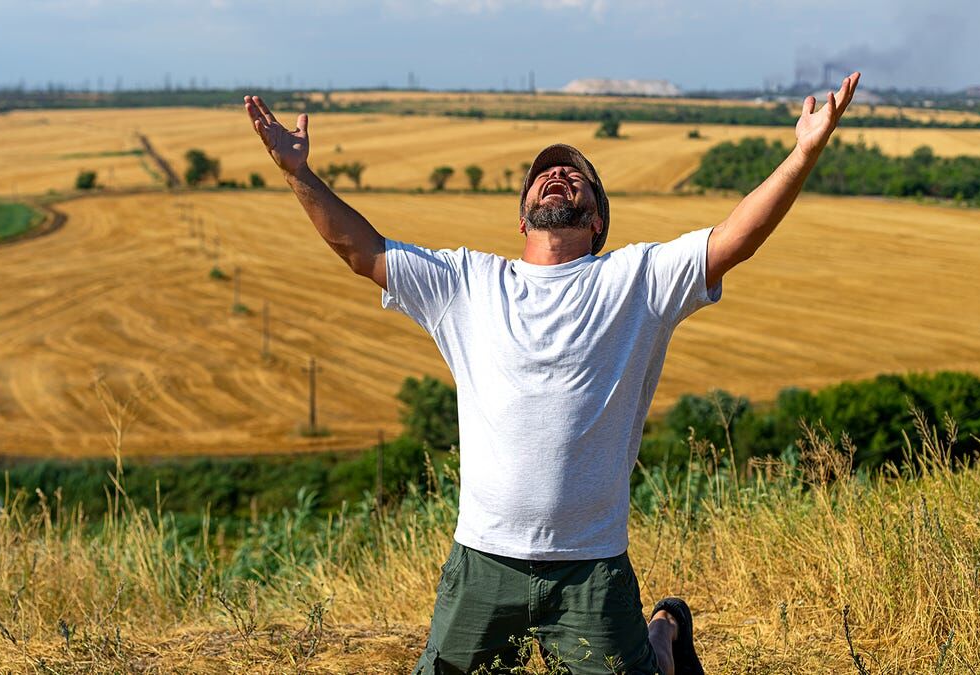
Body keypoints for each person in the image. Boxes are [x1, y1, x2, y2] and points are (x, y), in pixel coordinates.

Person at [243, 71, 860, 675]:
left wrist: (804, 151)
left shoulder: (636, 281)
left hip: (590, 565)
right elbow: (363, 250)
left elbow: (734, 239)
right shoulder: (468, 282)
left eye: (577, 177)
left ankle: (666, 634)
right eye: (544, 174)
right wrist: (299, 175)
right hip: (484, 558)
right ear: (522, 218)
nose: (558, 176)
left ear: (597, 222)